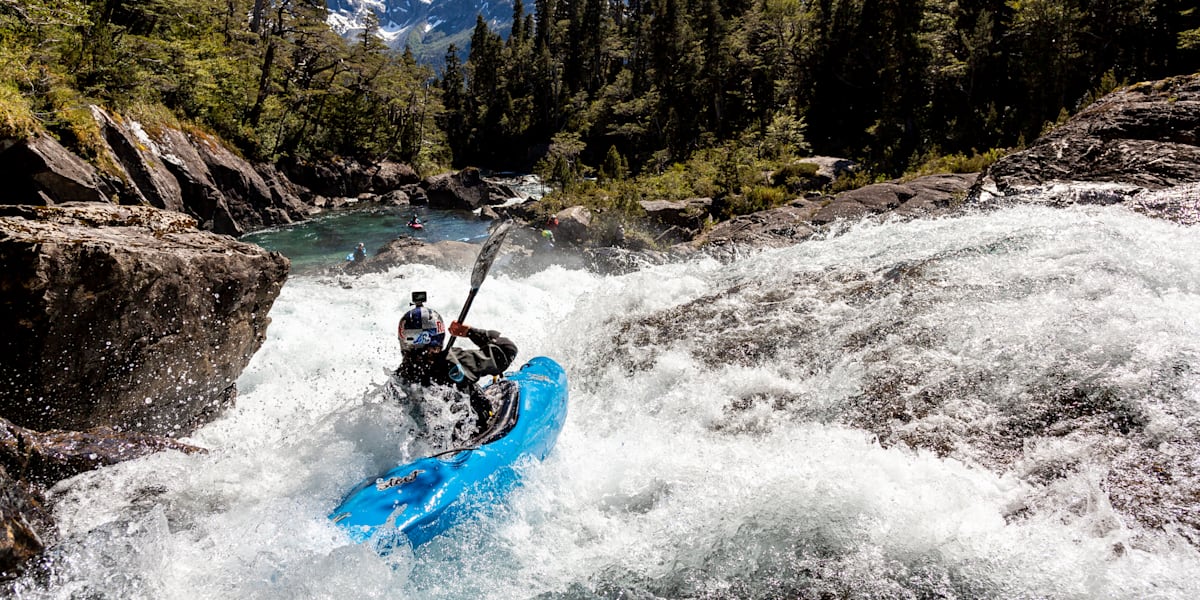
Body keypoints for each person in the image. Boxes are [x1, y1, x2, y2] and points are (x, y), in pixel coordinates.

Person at [395, 293, 518, 435]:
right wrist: (469, 332)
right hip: (470, 436)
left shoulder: (400, 377)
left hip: (429, 443)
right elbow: (508, 349)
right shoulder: (454, 360)